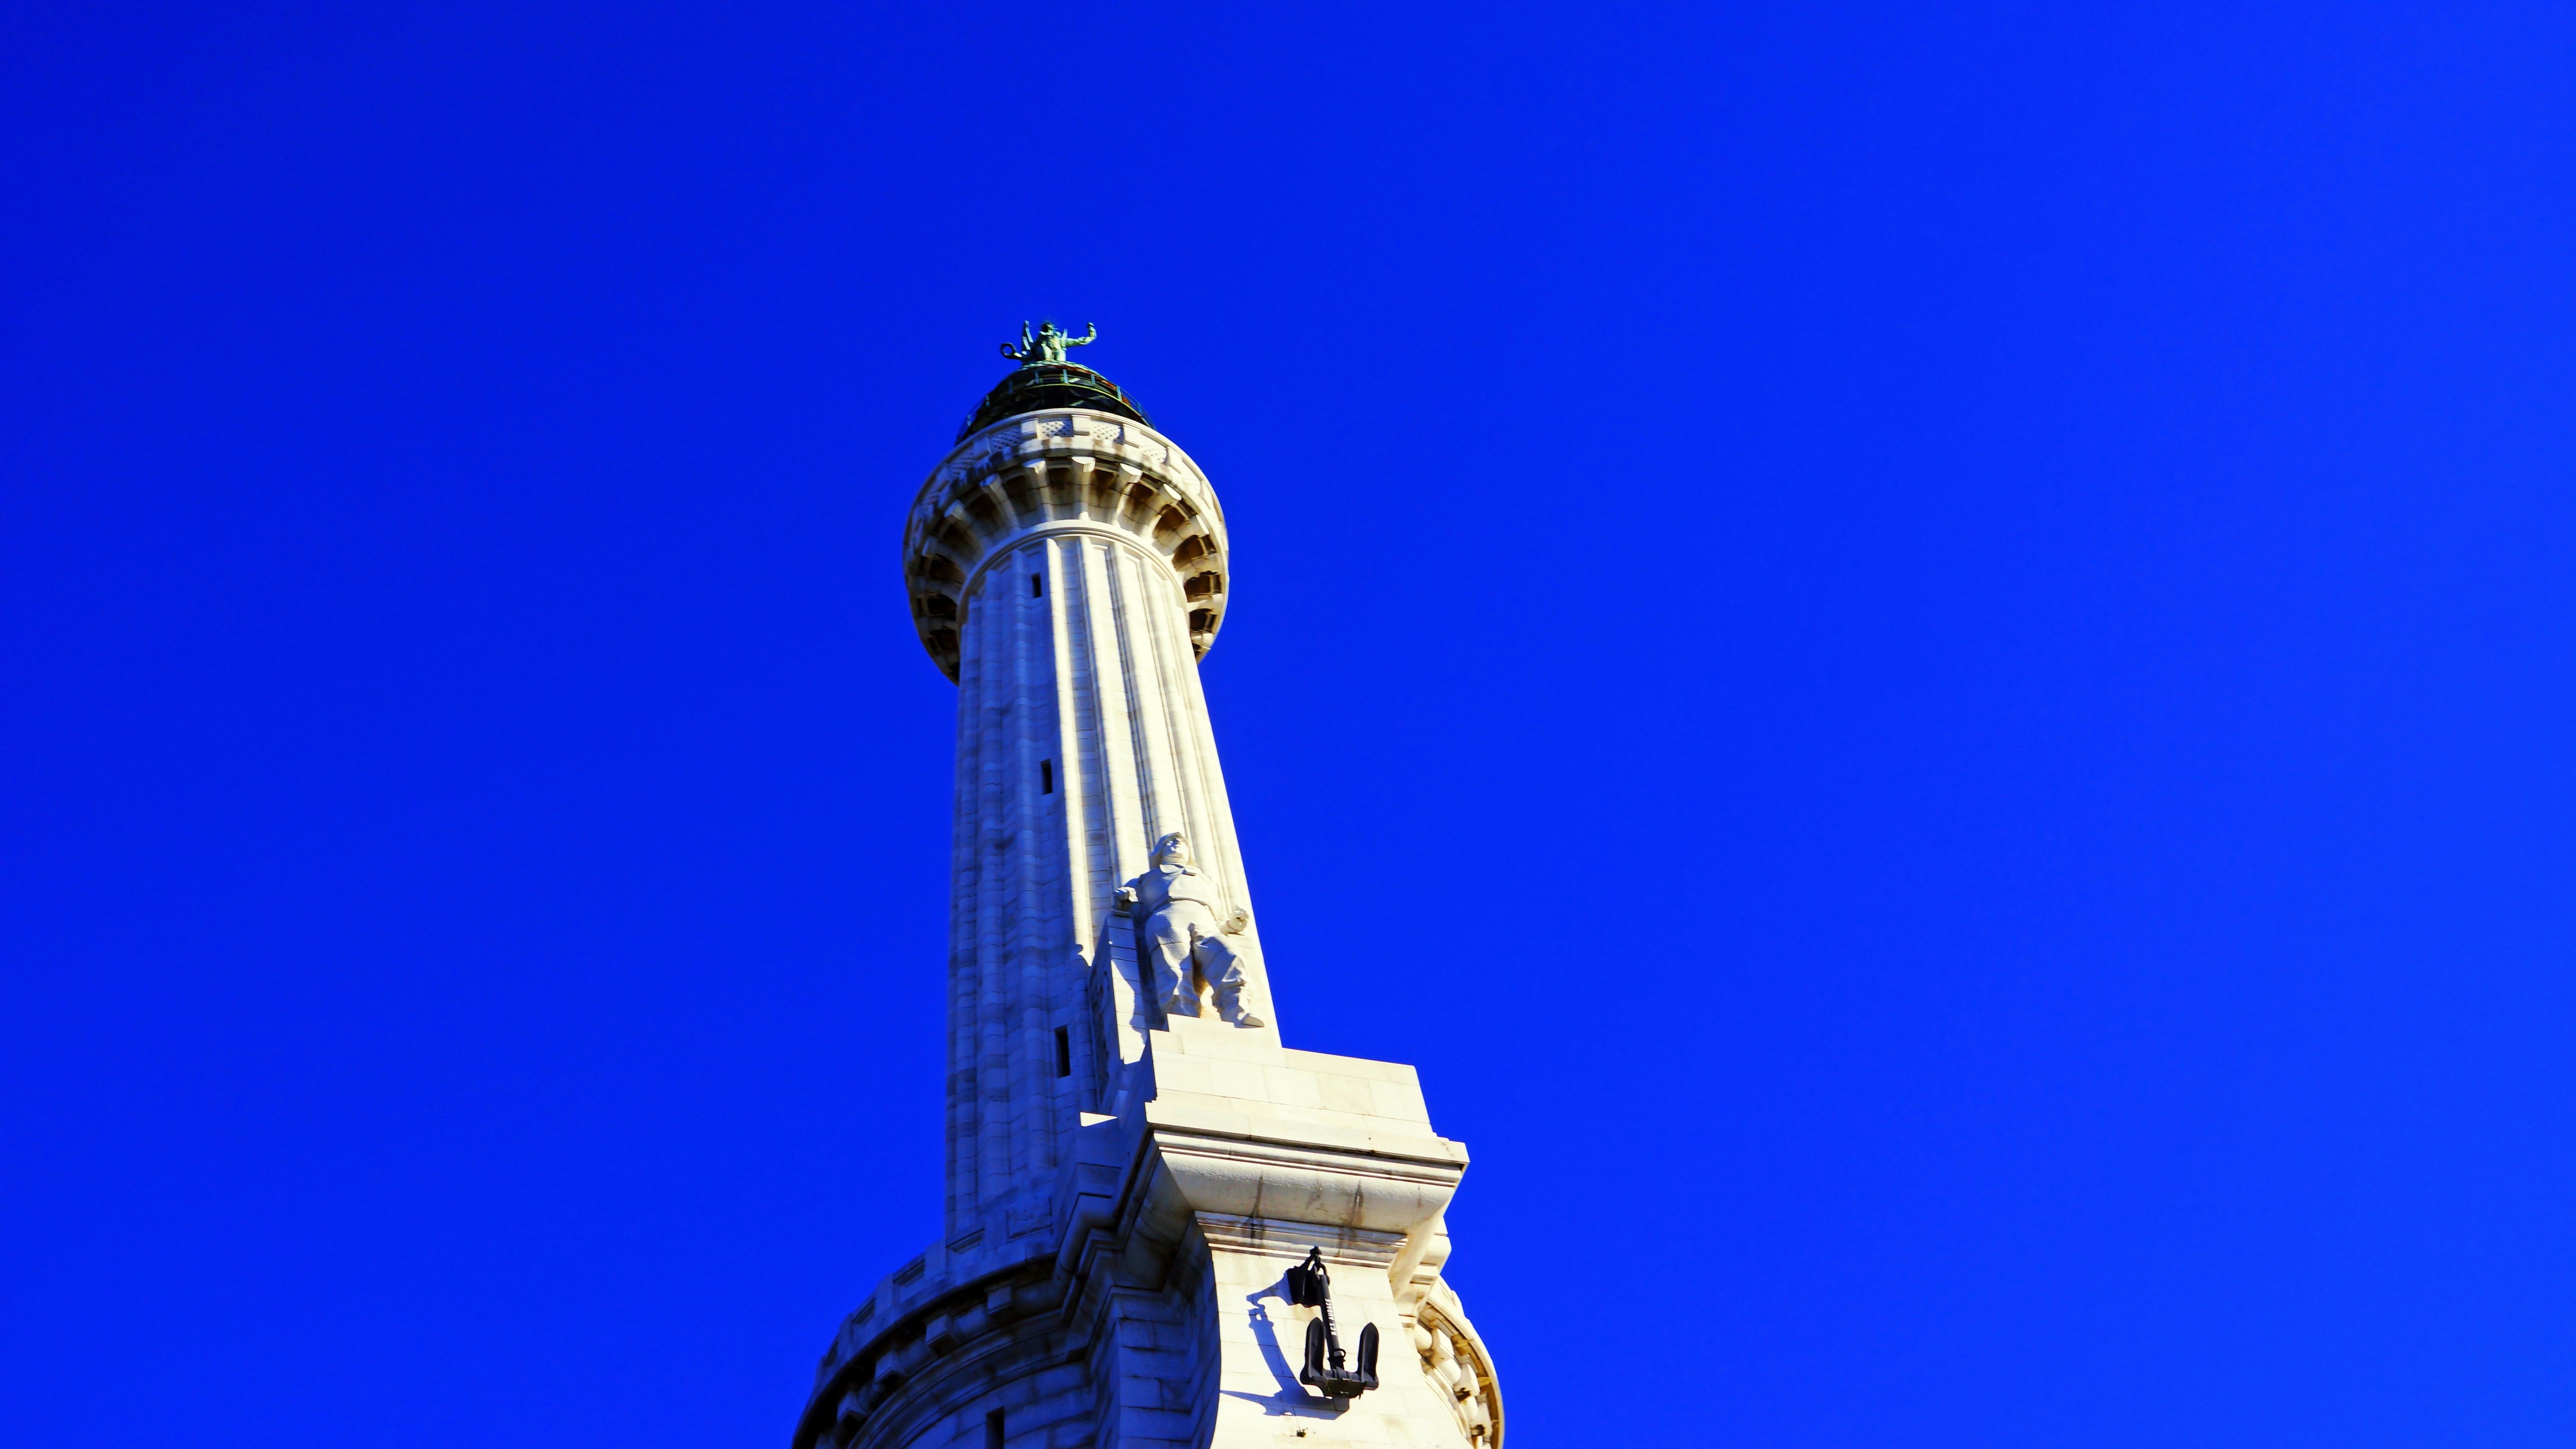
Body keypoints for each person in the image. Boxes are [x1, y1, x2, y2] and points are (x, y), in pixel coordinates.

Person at [1116, 831, 1263, 1027]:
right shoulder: (1147, 879)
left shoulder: (1207, 881)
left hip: (1204, 920)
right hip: (1167, 916)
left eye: (1181, 842)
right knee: (1174, 970)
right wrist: (1123, 901)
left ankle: (1238, 1014)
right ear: (1161, 851)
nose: (1176, 843)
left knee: (1230, 956)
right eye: (1170, 842)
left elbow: (1218, 919)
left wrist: (1233, 924)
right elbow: (1133, 908)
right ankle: (1182, 1019)